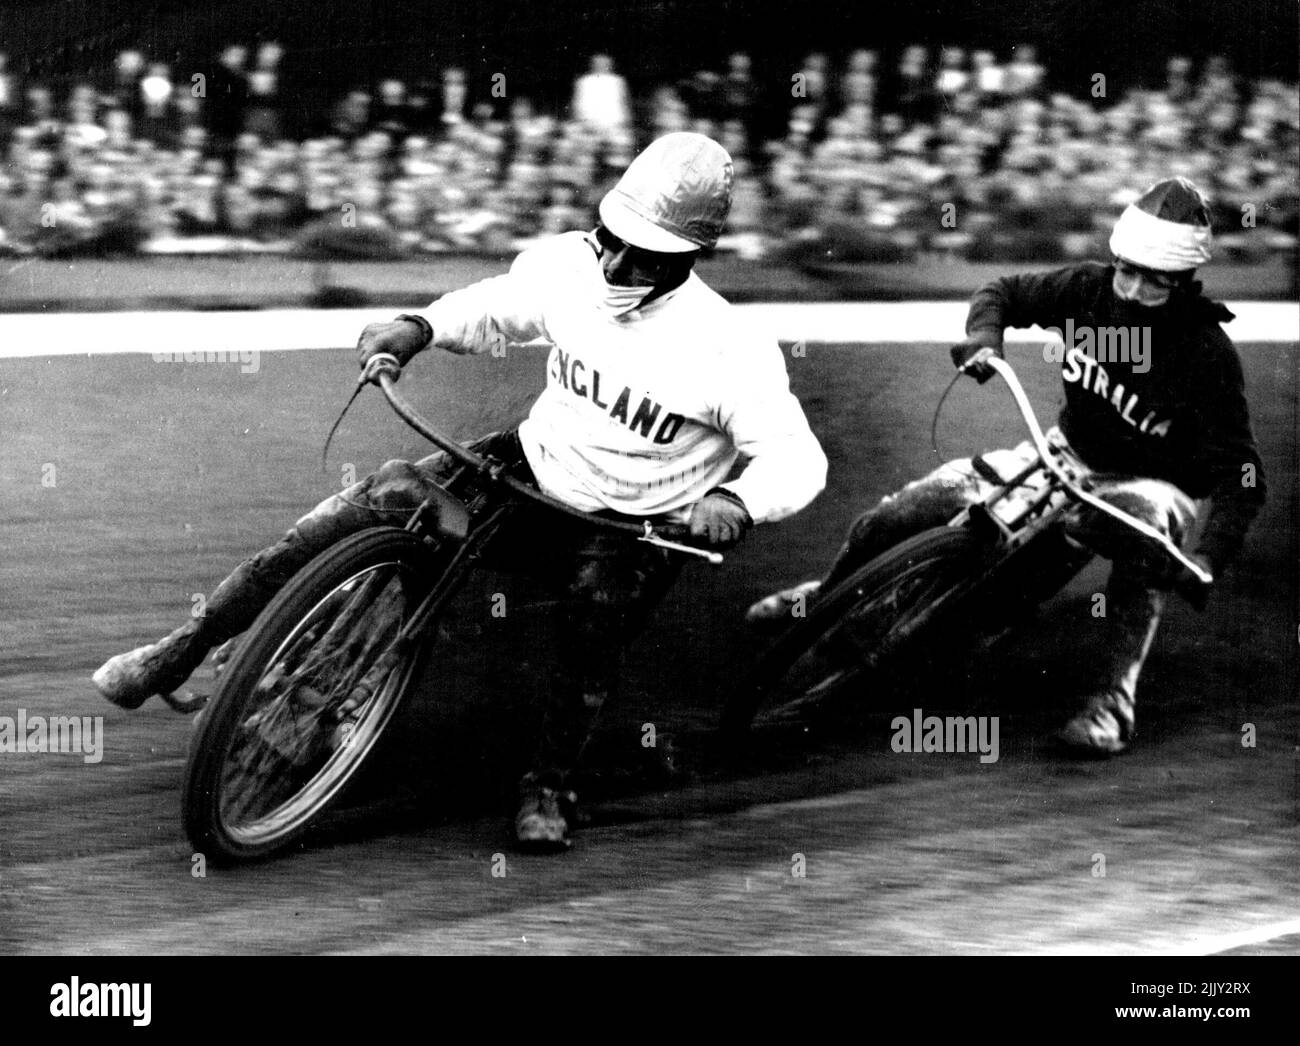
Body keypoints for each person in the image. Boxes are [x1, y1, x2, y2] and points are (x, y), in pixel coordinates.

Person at [94, 132, 828, 849]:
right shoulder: (570, 268)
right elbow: (495, 308)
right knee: (356, 512)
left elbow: (797, 461)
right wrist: (418, 327)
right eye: (613, 235)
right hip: (534, 467)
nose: (618, 260)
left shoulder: (730, 350)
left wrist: (737, 502)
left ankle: (548, 787)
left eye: (647, 253)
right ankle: (180, 650)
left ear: (693, 258)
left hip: (630, 524)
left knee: (592, 631)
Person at [748, 176, 1266, 757]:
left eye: (1154, 282)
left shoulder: (1207, 352)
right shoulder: (1086, 291)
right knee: (902, 512)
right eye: (1126, 270)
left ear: (1184, 282)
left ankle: (1114, 704)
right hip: (1064, 452)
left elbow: (1243, 474)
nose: (1132, 289)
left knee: (1137, 539)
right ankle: (831, 599)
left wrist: (1207, 558)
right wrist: (985, 338)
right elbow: (1004, 290)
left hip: (1152, 485)